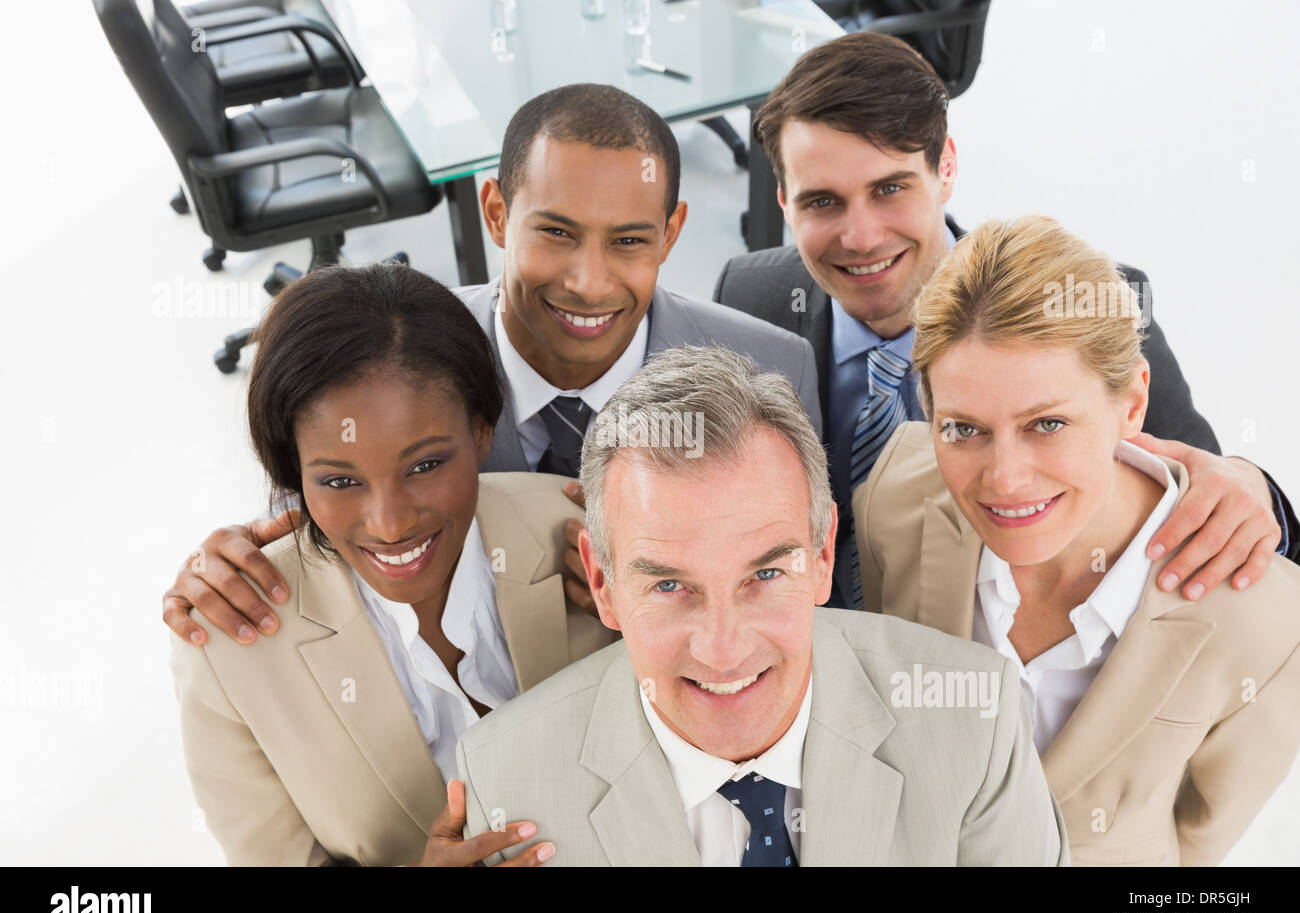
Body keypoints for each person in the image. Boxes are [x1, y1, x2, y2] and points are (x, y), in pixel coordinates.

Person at [162, 82, 820, 644]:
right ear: (496, 214)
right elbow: (316, 542)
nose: (589, 283)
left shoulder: (772, 370)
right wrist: (239, 564)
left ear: (671, 233)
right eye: (556, 233)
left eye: (628, 241)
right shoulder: (383, 359)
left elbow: (804, 598)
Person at [714, 31, 1298, 610]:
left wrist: (1253, 485)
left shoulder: (1089, 303)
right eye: (822, 201)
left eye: (890, 188)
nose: (861, 237)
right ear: (784, 203)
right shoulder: (749, 297)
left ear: (945, 167)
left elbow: (1205, 498)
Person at [454, 346, 1068, 866]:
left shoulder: (975, 723)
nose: (724, 651)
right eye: (669, 587)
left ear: (824, 553)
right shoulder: (507, 778)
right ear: (602, 581)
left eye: (766, 574)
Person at [853, 217, 1300, 865]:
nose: (1004, 480)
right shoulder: (895, 495)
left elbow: (1202, 837)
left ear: (1133, 402)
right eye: (964, 429)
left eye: (1048, 423)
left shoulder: (1268, 626)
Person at [170, 263, 617, 865]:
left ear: (483, 431)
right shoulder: (230, 650)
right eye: (339, 480)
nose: (390, 523)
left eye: (425, 465)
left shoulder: (586, 540)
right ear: (292, 475)